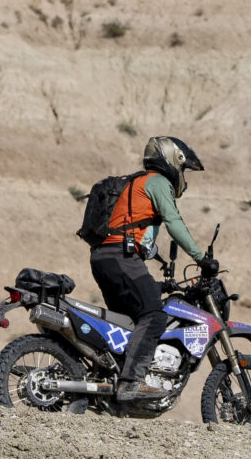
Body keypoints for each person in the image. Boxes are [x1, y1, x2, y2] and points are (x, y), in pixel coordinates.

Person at [90, 135, 216, 402]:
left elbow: (142, 239)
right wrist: (200, 258)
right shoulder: (158, 182)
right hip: (119, 257)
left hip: (104, 257)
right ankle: (131, 381)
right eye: (184, 168)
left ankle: (110, 379)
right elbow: (174, 222)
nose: (183, 175)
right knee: (154, 316)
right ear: (172, 160)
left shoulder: (136, 183)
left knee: (128, 324)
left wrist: (159, 275)